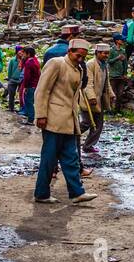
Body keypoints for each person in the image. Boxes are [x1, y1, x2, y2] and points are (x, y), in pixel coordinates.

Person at [32, 38, 95, 205]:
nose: (80, 59)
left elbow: (75, 96)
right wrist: (40, 115)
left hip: (68, 120)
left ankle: (77, 192)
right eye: (78, 55)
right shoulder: (56, 63)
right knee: (49, 159)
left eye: (83, 56)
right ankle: (42, 193)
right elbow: (42, 90)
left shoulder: (78, 69)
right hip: (53, 119)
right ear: (70, 51)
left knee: (71, 158)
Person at [82, 43, 115, 152]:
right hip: (89, 99)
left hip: (99, 98)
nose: (106, 55)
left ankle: (88, 146)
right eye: (104, 53)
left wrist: (111, 94)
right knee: (87, 122)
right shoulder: (90, 64)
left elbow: (107, 83)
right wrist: (91, 97)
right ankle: (69, 137)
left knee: (98, 124)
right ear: (97, 53)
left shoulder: (104, 65)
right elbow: (88, 83)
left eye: (107, 53)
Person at [19, 46, 40, 124]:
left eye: (24, 53)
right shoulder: (35, 60)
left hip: (30, 85)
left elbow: (27, 76)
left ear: (28, 54)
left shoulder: (29, 62)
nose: (22, 54)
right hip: (35, 84)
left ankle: (30, 119)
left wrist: (26, 86)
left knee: (28, 102)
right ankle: (30, 117)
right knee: (30, 101)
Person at [106, 37, 128, 109]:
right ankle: (111, 109)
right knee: (113, 93)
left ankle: (118, 109)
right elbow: (109, 61)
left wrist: (125, 73)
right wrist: (117, 58)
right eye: (121, 40)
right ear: (117, 41)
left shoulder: (123, 51)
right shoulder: (111, 50)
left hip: (121, 75)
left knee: (120, 94)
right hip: (113, 75)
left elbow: (125, 63)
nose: (122, 41)